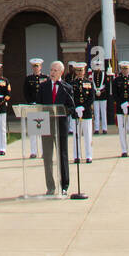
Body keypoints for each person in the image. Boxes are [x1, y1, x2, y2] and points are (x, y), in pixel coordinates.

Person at [36, 61, 74, 195]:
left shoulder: (66, 88)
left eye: (55, 71)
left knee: (62, 155)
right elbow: (38, 106)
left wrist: (63, 111)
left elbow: (71, 107)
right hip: (46, 124)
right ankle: (50, 186)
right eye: (51, 70)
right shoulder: (43, 86)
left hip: (60, 125)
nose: (52, 73)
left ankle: (64, 185)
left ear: (61, 73)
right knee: (47, 156)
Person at [23, 58, 45, 158]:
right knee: (33, 130)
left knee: (42, 129)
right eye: (34, 66)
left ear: (41, 67)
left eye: (38, 66)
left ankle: (43, 151)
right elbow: (26, 92)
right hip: (32, 105)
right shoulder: (28, 79)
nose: (36, 68)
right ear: (32, 67)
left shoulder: (45, 78)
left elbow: (47, 91)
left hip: (42, 106)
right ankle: (33, 151)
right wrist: (30, 102)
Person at [74, 65, 94, 162]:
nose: (79, 72)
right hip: (76, 112)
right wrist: (76, 107)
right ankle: (76, 155)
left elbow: (91, 97)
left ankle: (88, 155)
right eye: (78, 70)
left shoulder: (89, 83)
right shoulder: (72, 83)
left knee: (88, 135)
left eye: (81, 70)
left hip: (86, 112)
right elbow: (71, 97)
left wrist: (84, 107)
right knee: (76, 135)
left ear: (84, 71)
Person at [91, 60, 109, 134]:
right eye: (96, 65)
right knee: (96, 112)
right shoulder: (92, 74)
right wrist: (95, 91)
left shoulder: (104, 74)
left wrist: (101, 91)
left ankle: (104, 128)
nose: (97, 67)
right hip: (95, 94)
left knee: (103, 112)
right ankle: (96, 128)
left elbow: (106, 86)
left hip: (103, 95)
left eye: (98, 65)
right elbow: (91, 85)